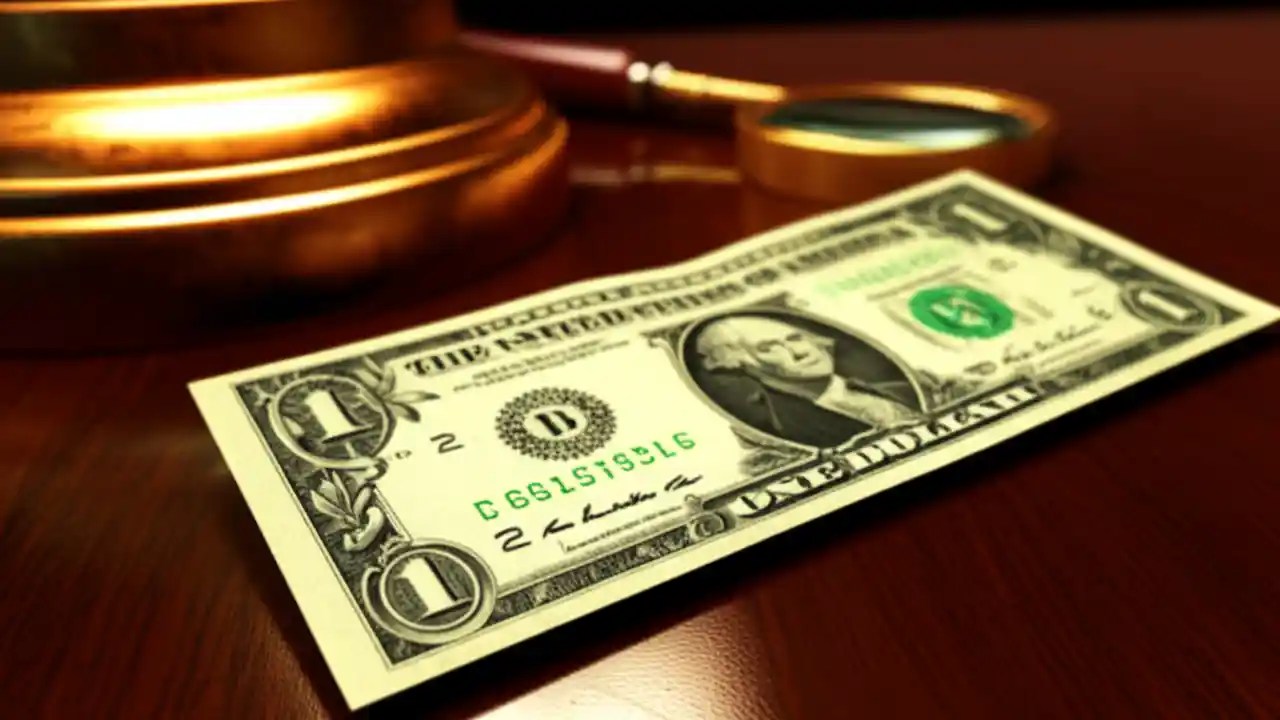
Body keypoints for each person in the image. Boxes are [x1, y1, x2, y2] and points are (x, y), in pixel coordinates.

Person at [695, 315, 921, 444]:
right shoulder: (780, 430)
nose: (799, 352)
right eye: (768, 348)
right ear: (738, 363)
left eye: (795, 338)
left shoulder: (905, 390)